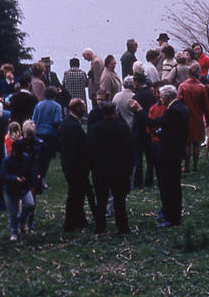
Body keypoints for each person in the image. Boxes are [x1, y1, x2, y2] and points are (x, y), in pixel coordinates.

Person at [89, 101, 134, 234]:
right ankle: (122, 226)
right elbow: (129, 149)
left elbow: (90, 150)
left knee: (101, 200)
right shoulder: (123, 127)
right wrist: (129, 168)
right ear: (115, 111)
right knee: (120, 200)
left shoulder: (94, 129)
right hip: (119, 169)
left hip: (100, 169)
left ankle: (100, 227)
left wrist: (92, 166)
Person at [153, 85, 189, 227]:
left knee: (170, 185)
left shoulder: (173, 111)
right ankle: (168, 211)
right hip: (175, 151)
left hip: (170, 152)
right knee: (171, 184)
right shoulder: (181, 108)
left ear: (167, 97)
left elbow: (158, 123)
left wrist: (139, 111)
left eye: (161, 96)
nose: (160, 99)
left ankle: (172, 218)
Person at [58, 97, 94, 232]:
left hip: (68, 164)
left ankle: (79, 220)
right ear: (77, 108)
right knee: (75, 195)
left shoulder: (66, 122)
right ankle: (71, 223)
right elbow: (79, 148)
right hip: (76, 166)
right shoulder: (74, 126)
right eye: (83, 107)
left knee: (76, 194)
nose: (85, 110)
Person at [1, 136, 37, 241]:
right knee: (12, 213)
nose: (18, 155)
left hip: (24, 187)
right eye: (16, 153)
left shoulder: (26, 158)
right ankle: (14, 232)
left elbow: (31, 172)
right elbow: (3, 175)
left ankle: (22, 219)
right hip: (11, 190)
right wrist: (14, 178)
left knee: (30, 204)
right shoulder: (7, 161)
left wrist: (29, 180)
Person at [178, 66, 209, 173]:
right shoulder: (202, 87)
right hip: (197, 118)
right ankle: (195, 166)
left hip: (185, 119)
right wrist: (207, 119)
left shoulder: (182, 86)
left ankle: (186, 166)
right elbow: (206, 106)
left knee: (187, 143)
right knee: (196, 143)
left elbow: (178, 103)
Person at [30, 87, 63, 186]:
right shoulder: (57, 106)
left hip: (38, 133)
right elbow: (57, 120)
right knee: (46, 158)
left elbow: (33, 119)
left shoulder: (39, 105)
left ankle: (36, 177)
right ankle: (43, 179)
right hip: (50, 134)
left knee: (38, 157)